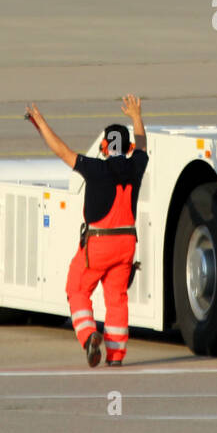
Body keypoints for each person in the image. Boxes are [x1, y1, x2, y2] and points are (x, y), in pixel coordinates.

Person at [25, 95, 148, 368]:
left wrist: (41, 123)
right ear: (126, 148)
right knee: (117, 299)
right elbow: (143, 144)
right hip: (127, 243)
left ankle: (88, 334)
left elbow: (61, 151)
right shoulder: (137, 166)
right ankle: (116, 357)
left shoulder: (94, 168)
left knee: (77, 288)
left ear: (103, 146)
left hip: (98, 244)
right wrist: (136, 116)